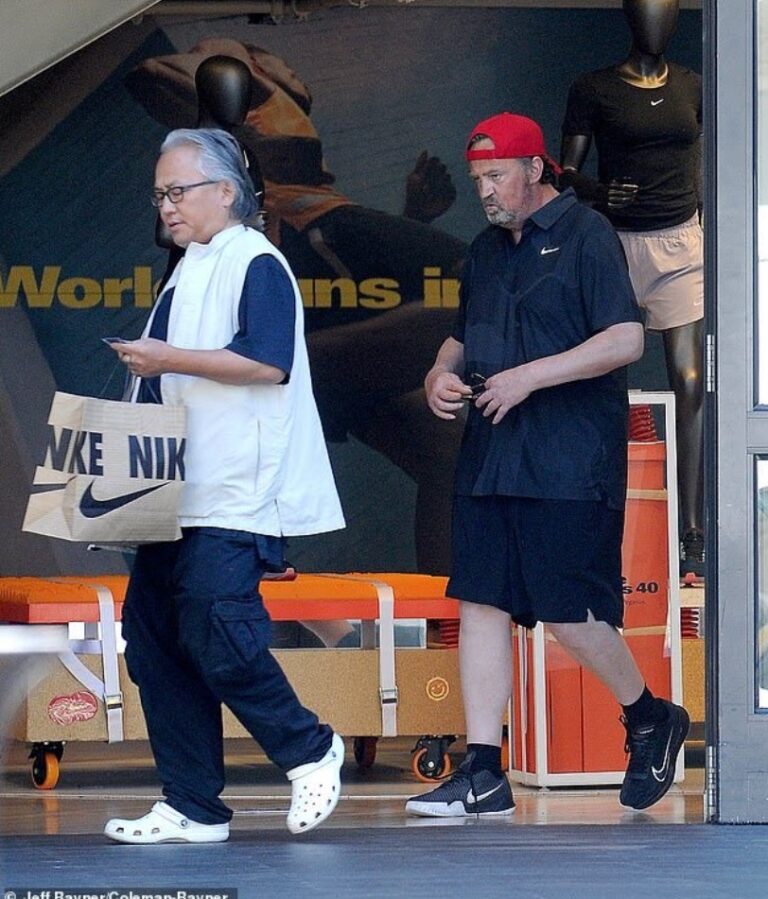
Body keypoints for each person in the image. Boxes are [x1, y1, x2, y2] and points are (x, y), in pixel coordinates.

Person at [405, 112, 690, 818]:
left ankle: (650, 714)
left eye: (497, 176)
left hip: (569, 457)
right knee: (479, 601)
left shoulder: (586, 234)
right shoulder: (484, 248)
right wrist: (441, 372)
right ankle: (483, 770)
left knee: (570, 610)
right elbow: (460, 336)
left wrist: (531, 377)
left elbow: (626, 337)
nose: (486, 192)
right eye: (478, 181)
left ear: (536, 170)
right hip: (492, 455)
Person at [125, 39, 468, 575]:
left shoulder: (307, 210)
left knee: (446, 449)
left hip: (296, 346)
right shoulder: (221, 192)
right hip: (265, 353)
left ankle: (430, 618)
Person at [103, 128, 346, 844]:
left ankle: (308, 747)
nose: (167, 207)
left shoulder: (256, 260)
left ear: (225, 191)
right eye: (159, 195)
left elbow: (267, 362)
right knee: (152, 642)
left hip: (235, 485)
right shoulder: (189, 266)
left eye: (177, 192)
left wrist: (167, 356)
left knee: (217, 629)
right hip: (174, 487)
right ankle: (192, 803)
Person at [559, 0, 704, 576]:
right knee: (600, 383)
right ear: (628, 17)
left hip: (680, 244)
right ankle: (596, 519)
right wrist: (597, 192)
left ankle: (691, 530)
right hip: (614, 244)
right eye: (647, 10)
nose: (657, 21)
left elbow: (703, 163)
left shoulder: (693, 85)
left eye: (667, 11)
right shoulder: (593, 88)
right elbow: (563, 171)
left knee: (691, 380)